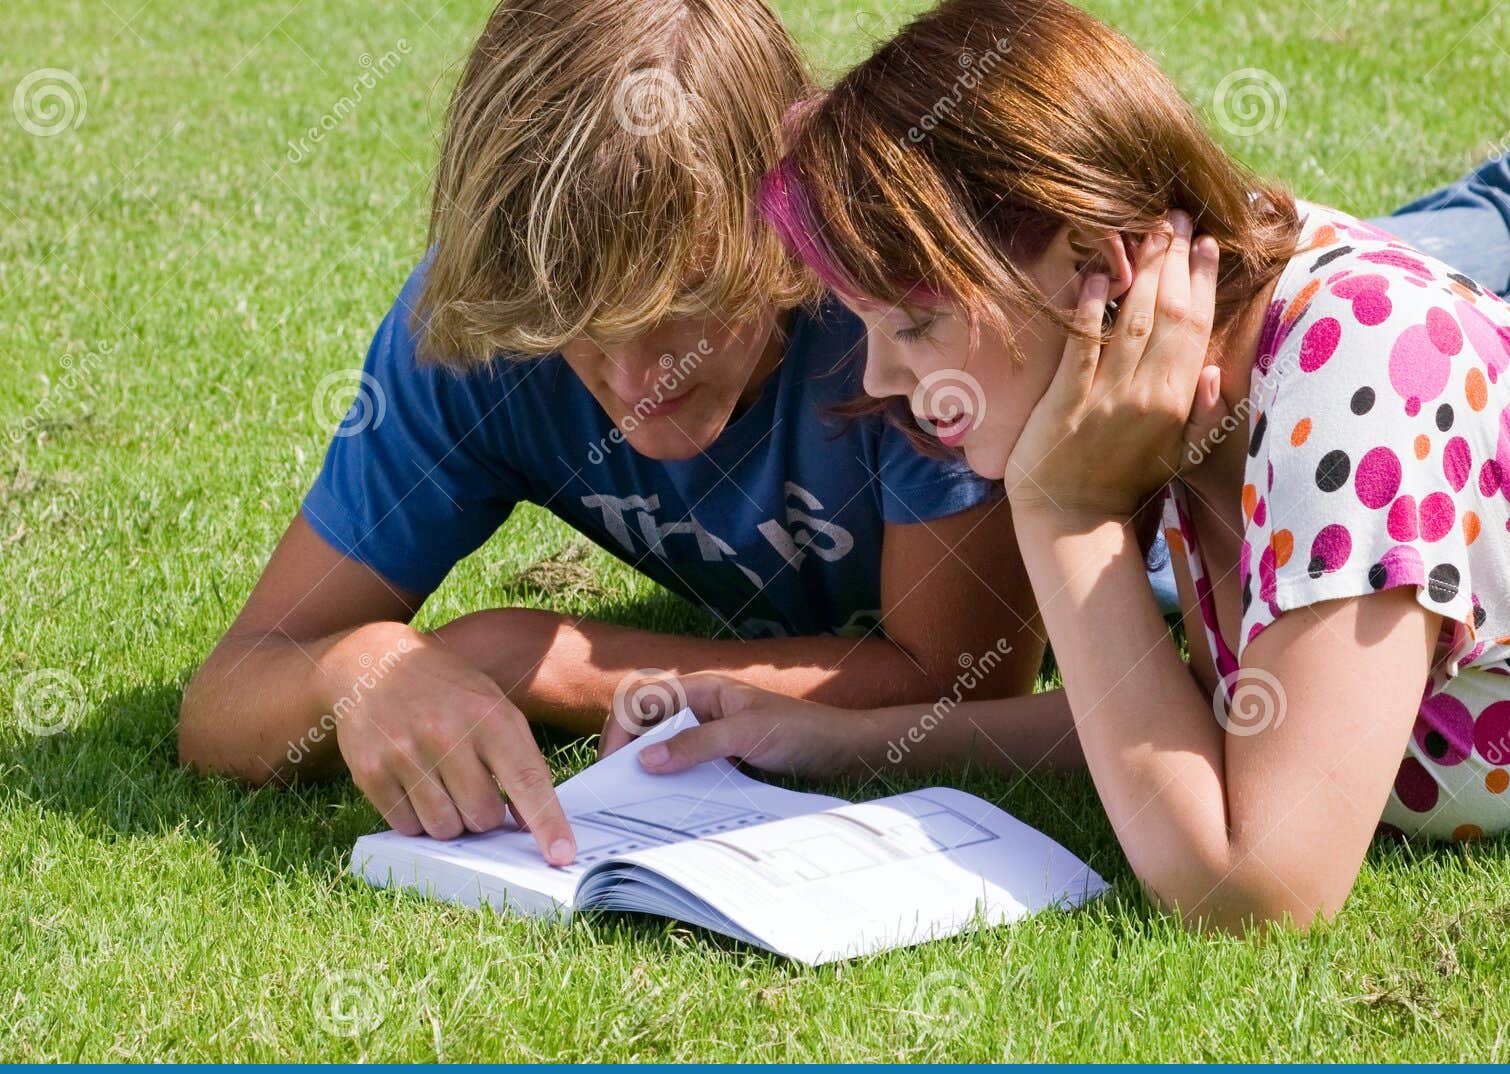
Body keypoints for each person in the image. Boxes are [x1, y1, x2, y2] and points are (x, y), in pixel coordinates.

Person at [607, 0, 1510, 931]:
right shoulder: (1184, 370)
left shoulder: (1359, 363)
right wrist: (836, 741)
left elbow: (1257, 884)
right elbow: (1201, 729)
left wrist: (1066, 515)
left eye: (913, 322)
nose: (881, 375)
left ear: (1100, 265)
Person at [176, 0, 1047, 866]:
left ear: (784, 207)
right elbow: (229, 697)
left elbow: (960, 678)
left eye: (689, 303)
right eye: (580, 320)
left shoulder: (893, 303)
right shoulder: (490, 317)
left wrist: (526, 659)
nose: (637, 383)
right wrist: (353, 668)